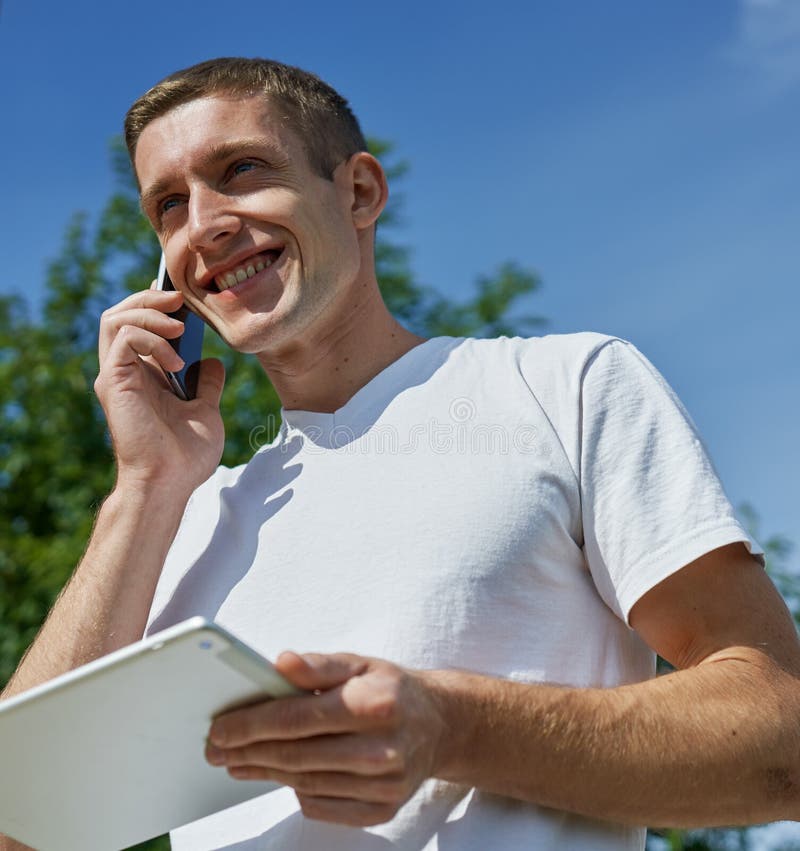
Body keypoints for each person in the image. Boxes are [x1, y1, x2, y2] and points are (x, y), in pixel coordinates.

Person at [2, 56, 799, 851]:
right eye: (168, 205)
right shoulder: (182, 516)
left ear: (358, 192)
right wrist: (143, 485)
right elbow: (20, 825)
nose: (204, 223)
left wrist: (452, 729)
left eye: (240, 170)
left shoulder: (565, 385)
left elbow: (782, 738)